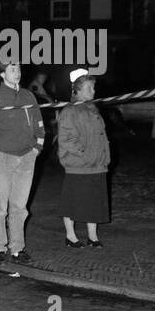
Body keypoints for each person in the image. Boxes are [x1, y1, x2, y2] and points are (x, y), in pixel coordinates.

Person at [0, 60, 45, 265]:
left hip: (26, 158)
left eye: (18, 69)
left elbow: (40, 125)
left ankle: (17, 248)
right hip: (3, 158)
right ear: (2, 74)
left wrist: (36, 149)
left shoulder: (28, 96)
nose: (17, 73)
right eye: (12, 69)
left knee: (19, 206)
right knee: (0, 206)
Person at [58, 74, 111, 247]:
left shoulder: (92, 108)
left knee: (93, 201)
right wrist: (86, 154)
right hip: (78, 165)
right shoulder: (70, 111)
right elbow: (66, 139)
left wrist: (103, 156)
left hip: (97, 165)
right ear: (78, 90)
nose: (94, 91)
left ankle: (92, 236)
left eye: (93, 87)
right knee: (72, 202)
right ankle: (71, 236)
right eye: (90, 88)